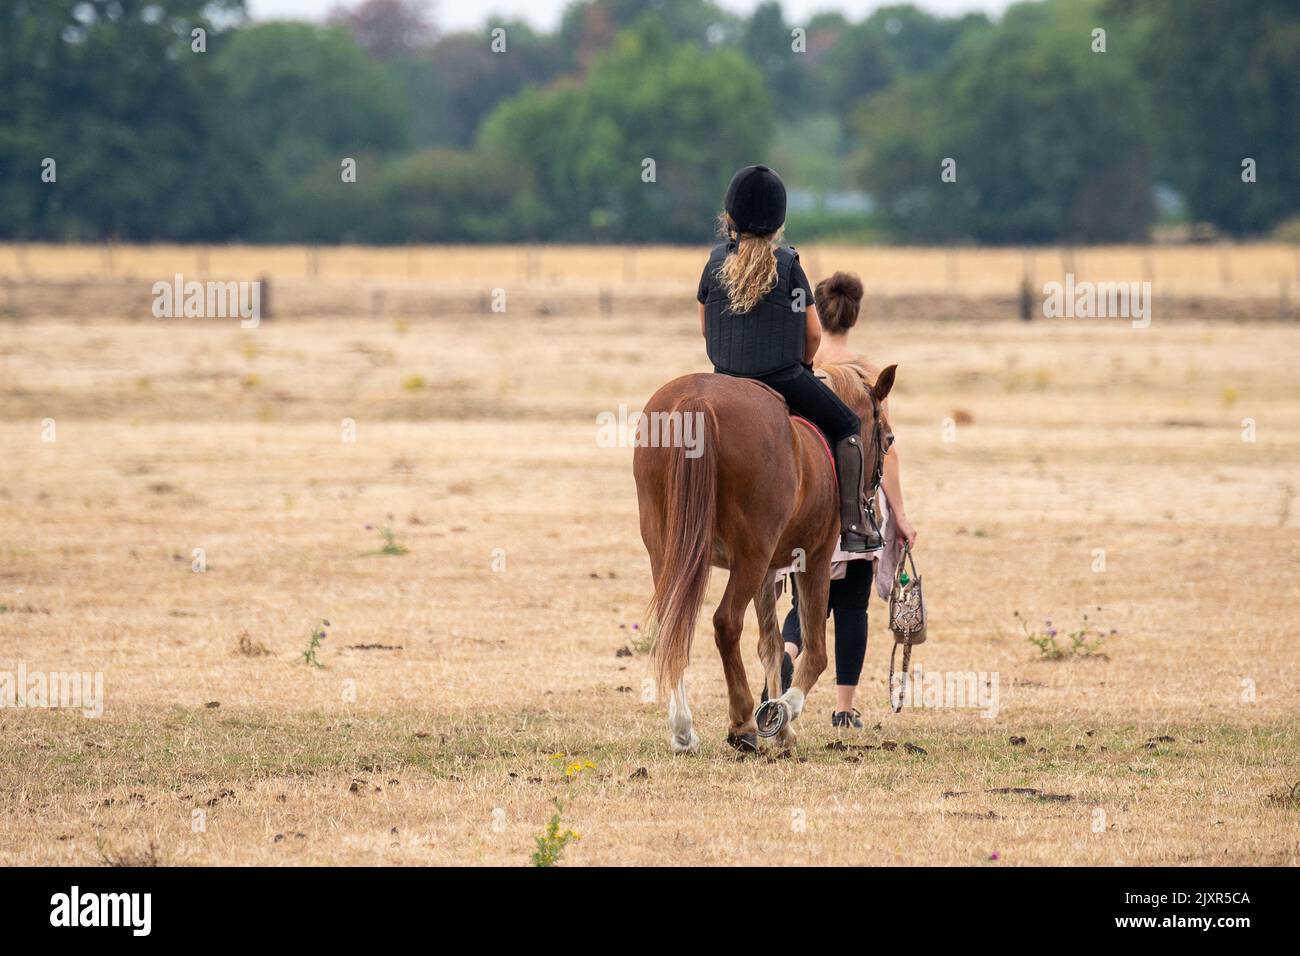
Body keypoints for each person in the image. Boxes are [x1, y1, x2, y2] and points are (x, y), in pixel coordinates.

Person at [697, 164, 879, 554]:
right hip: (781, 377)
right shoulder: (789, 264)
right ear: (778, 222)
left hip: (724, 379)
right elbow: (813, 333)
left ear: (729, 218)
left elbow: (705, 327)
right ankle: (854, 523)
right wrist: (803, 367)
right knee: (848, 424)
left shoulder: (714, 263)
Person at [780, 272, 918, 728]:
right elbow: (887, 449)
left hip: (804, 503)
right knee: (852, 607)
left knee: (805, 601)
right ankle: (843, 710)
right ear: (854, 317)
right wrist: (899, 514)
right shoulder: (866, 373)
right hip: (854, 507)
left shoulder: (800, 366)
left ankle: (784, 659)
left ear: (816, 312)